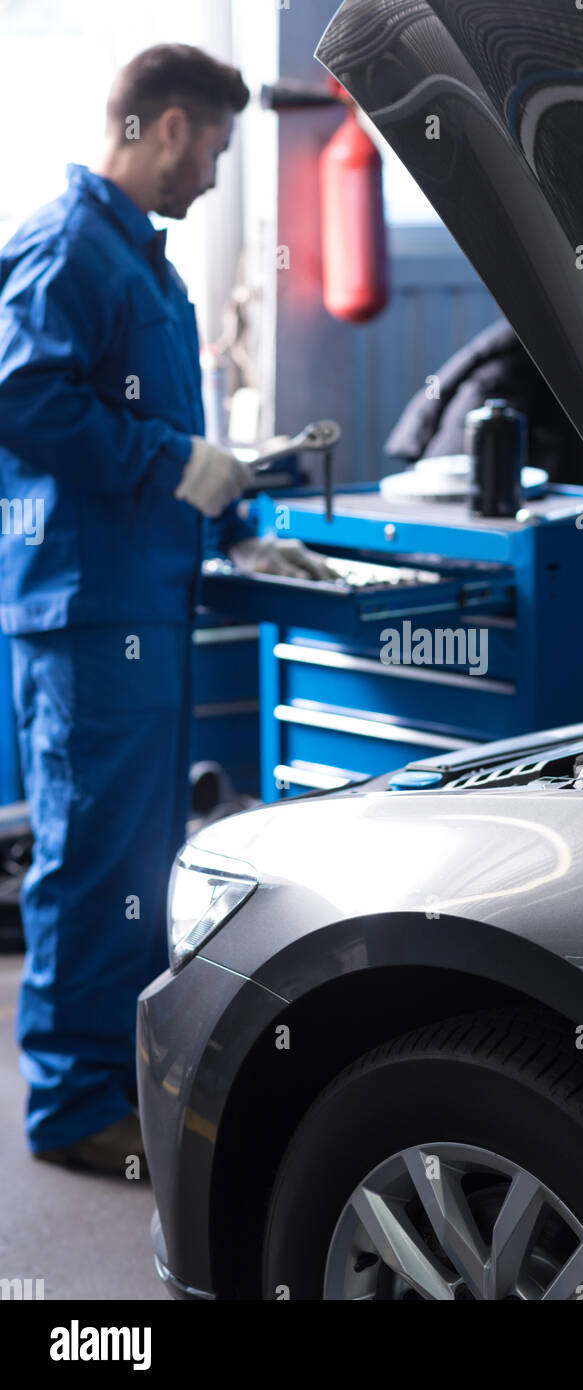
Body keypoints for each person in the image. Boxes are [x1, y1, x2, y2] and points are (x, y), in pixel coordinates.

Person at [0, 45, 280, 1174]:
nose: (214, 173)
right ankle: (72, 1110)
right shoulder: (69, 248)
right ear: (167, 126)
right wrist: (173, 458)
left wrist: (228, 506)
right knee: (89, 860)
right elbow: (19, 398)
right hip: (89, 610)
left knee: (137, 861)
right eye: (213, 146)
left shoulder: (142, 265)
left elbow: (149, 429)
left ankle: (114, 1076)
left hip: (140, 602)